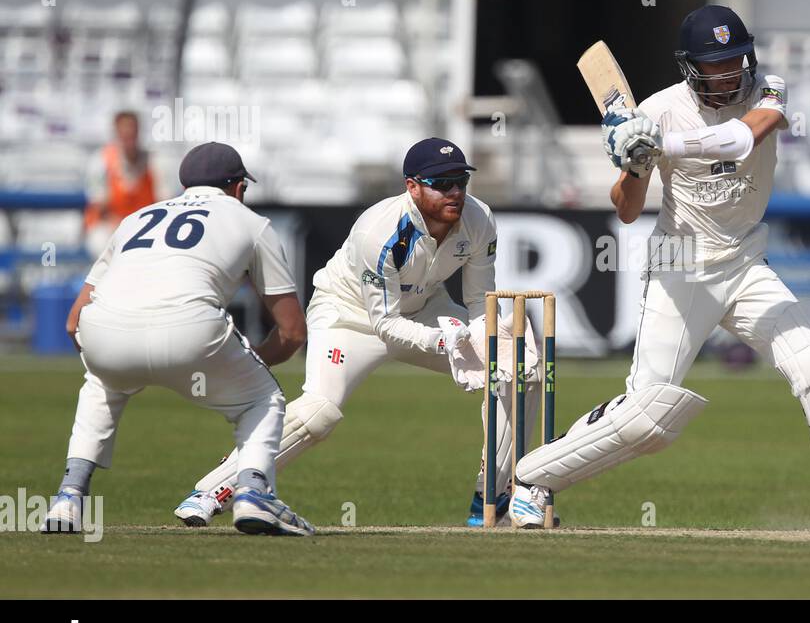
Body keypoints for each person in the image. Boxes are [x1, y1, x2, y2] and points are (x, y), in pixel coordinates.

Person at [507, 5, 810, 532]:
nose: (730, 72)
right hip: (679, 267)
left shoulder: (769, 90)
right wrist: (635, 162)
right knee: (648, 418)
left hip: (745, 261)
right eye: (716, 65)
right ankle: (532, 481)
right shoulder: (659, 109)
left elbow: (743, 138)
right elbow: (626, 209)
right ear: (691, 68)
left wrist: (658, 143)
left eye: (736, 59)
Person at [171, 137, 542, 528]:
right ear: (412, 186)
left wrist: (488, 335)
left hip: (425, 307)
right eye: (442, 183)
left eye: (460, 182)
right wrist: (440, 340)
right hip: (348, 316)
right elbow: (385, 324)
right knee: (320, 412)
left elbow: (480, 299)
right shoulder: (378, 232)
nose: (455, 193)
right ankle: (213, 491)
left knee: (519, 364)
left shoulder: (479, 220)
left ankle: (493, 498)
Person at [43, 142, 313, 536]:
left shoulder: (136, 218)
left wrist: (113, 358)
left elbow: (73, 322)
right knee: (263, 399)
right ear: (238, 187)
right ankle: (254, 491)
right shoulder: (251, 221)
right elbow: (292, 331)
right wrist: (244, 363)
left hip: (104, 329)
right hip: (193, 331)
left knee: (100, 384)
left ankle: (69, 496)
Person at [84, 111, 158, 257]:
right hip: (112, 225)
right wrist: (124, 226)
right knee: (100, 240)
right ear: (117, 132)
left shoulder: (153, 162)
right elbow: (99, 207)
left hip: (145, 225)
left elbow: (163, 201)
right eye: (124, 132)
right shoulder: (101, 161)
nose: (128, 136)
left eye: (132, 131)